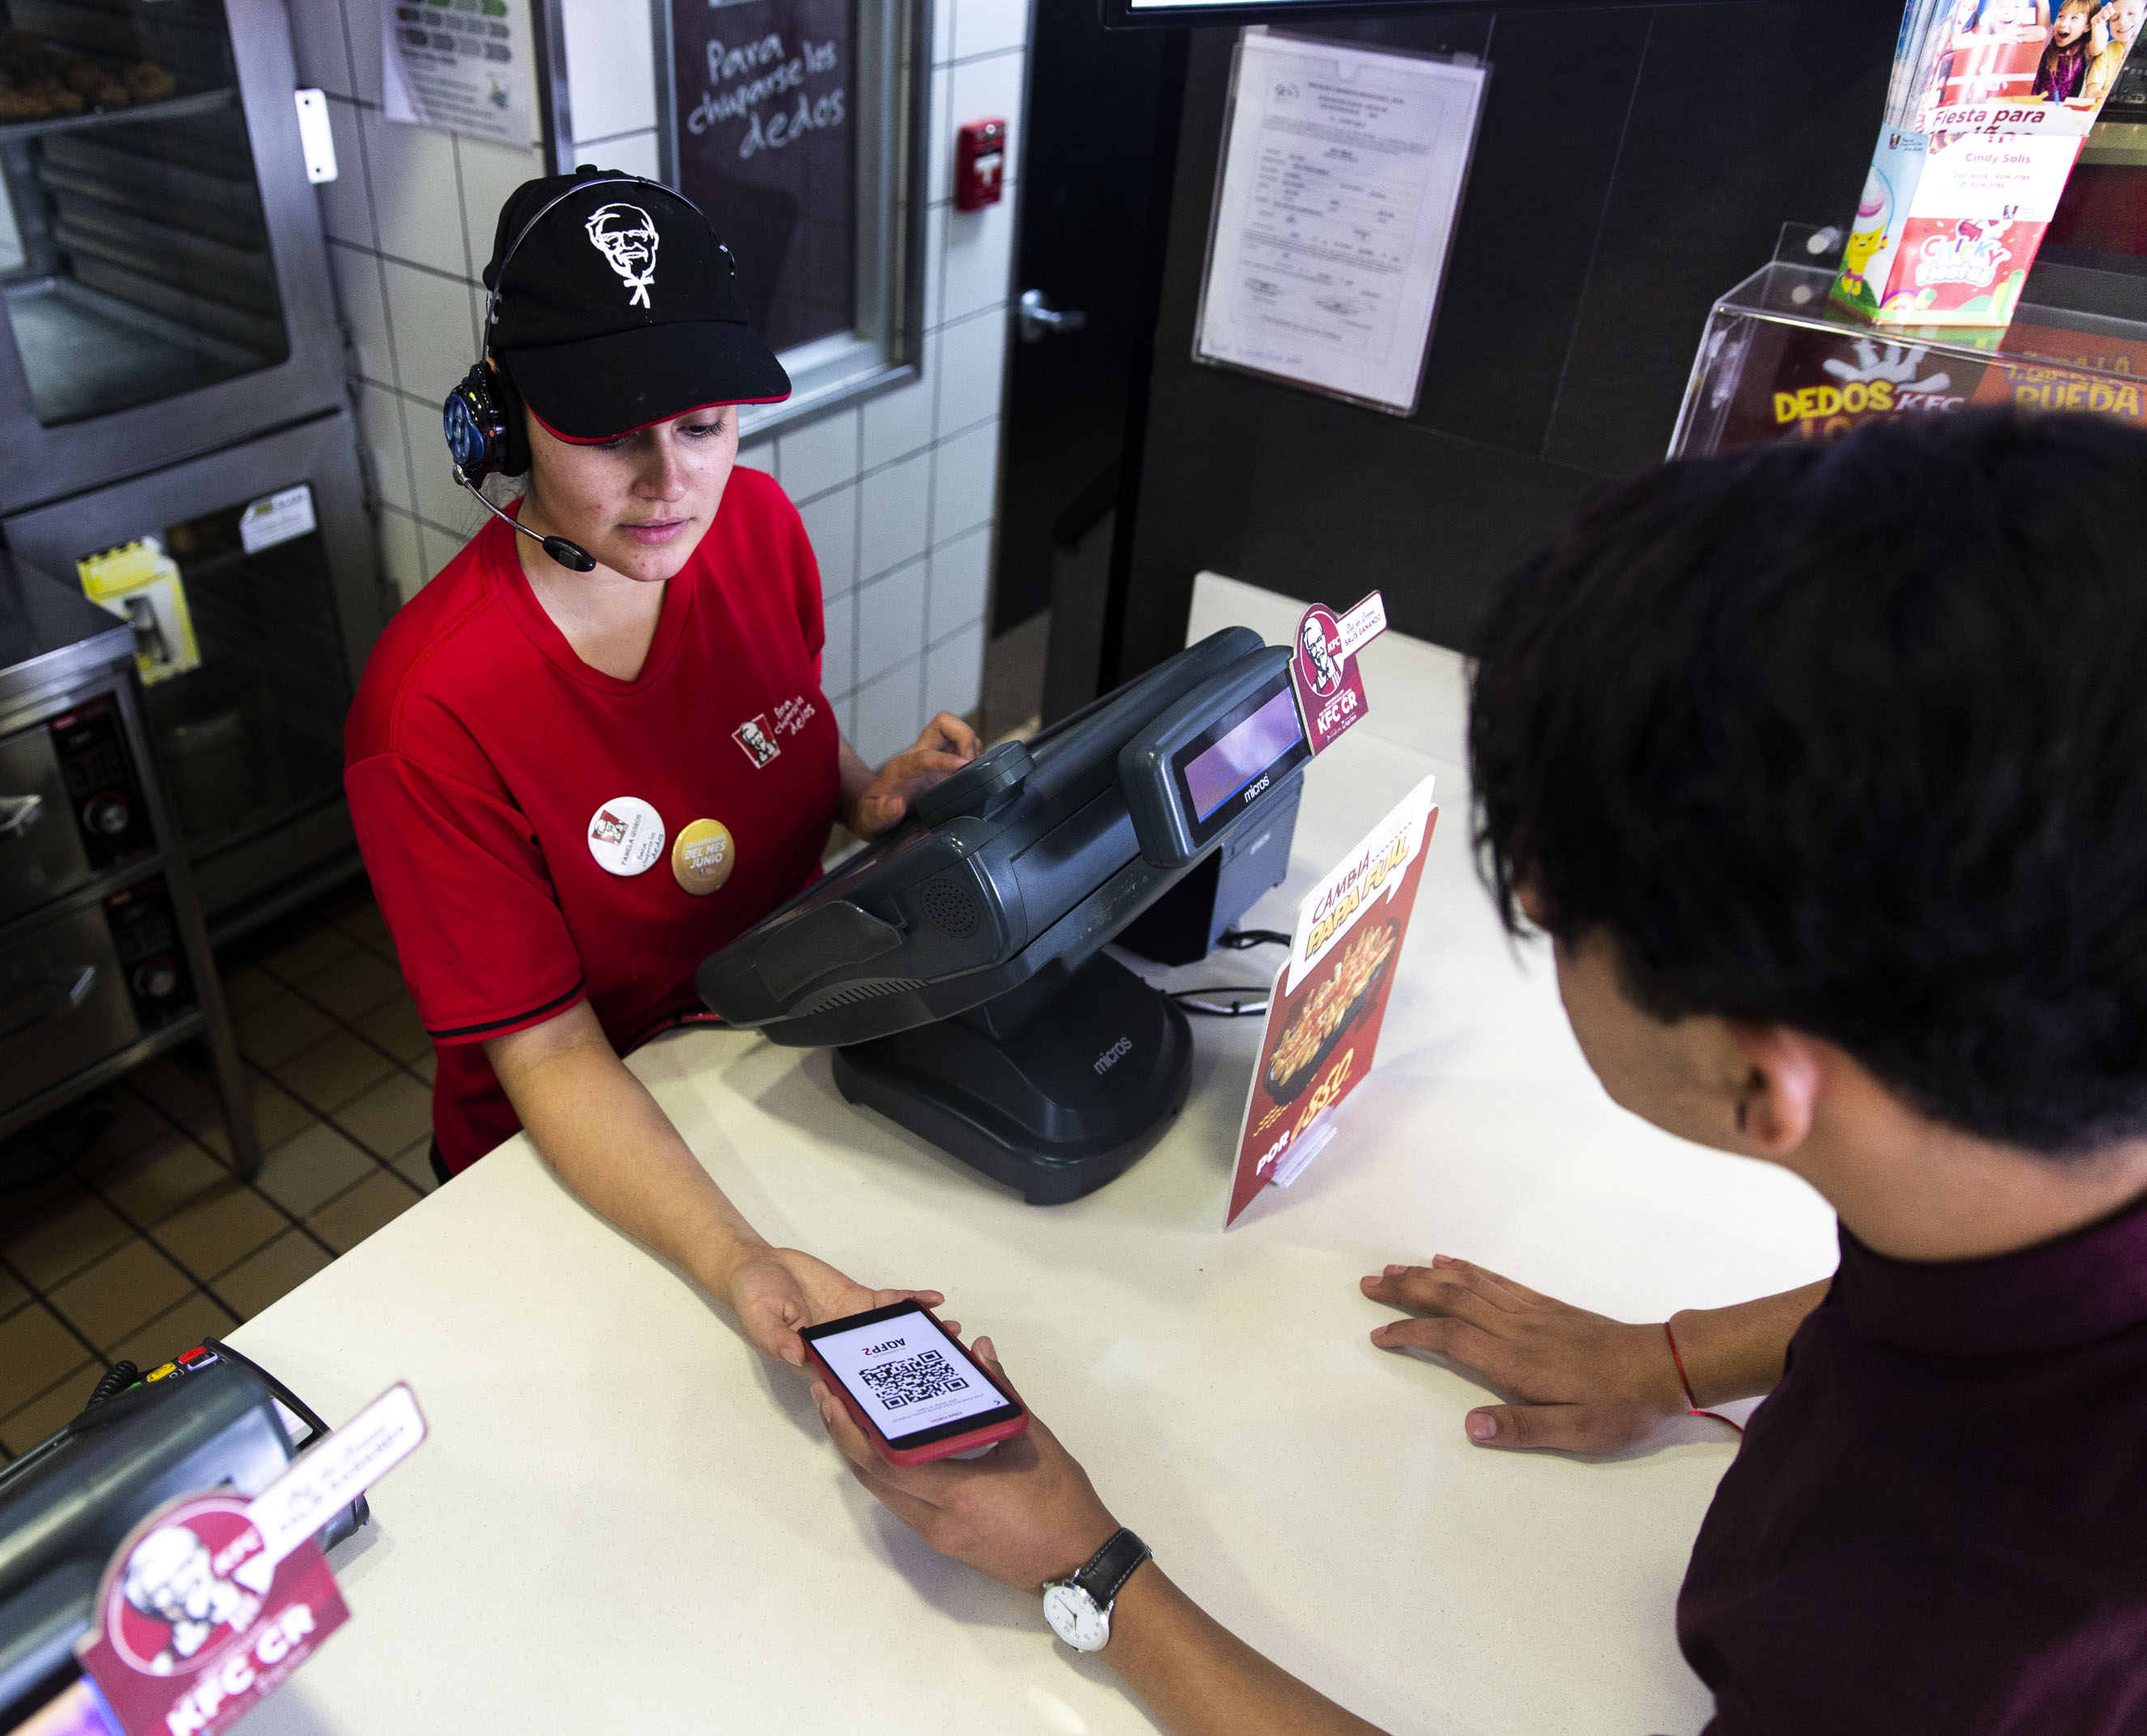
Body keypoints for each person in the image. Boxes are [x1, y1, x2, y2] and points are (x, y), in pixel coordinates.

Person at [810, 410, 2147, 1733]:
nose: (1536, 912)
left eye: (1556, 917)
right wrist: (1678, 1357)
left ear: (1768, 1075)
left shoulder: (1966, 1625)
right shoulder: (2033, 1152)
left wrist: (1094, 1572)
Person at [343, 167, 980, 1372]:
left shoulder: (757, 528)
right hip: (580, 1152)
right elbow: (548, 1053)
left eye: (702, 426)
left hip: (770, 1044)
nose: (670, 483)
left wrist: (870, 797)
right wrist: (738, 1257)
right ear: (501, 416)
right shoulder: (429, 710)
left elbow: (788, 733)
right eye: (610, 435)